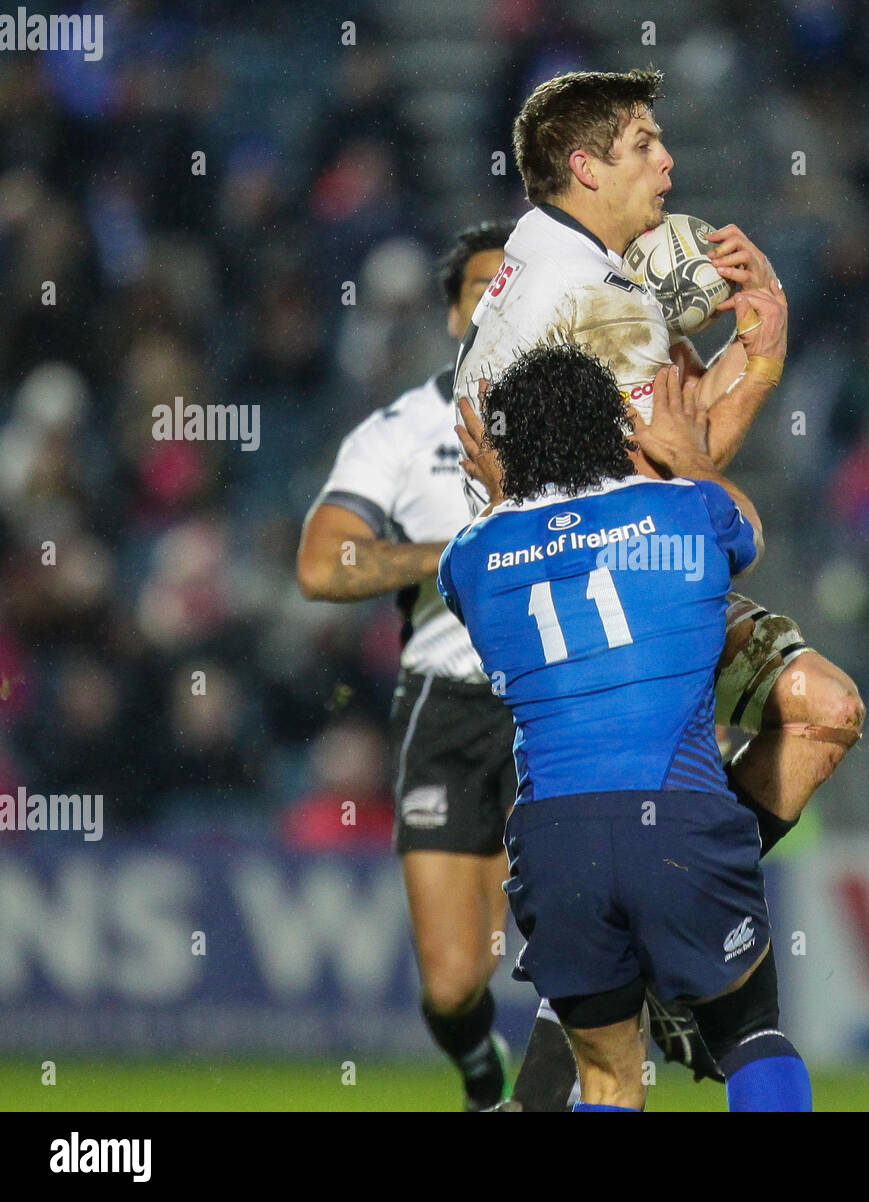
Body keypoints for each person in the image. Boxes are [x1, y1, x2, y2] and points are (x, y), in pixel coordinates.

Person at [454, 65, 863, 1085]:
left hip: (532, 596)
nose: (668, 160)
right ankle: (678, 950)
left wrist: (726, 350)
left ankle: (625, 961)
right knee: (820, 709)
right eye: (641, 143)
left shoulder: (536, 273)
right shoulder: (595, 300)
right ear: (583, 166)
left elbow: (646, 454)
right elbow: (688, 469)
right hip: (620, 586)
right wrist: (757, 354)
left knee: (815, 704)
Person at [440, 342, 813, 1112]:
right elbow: (747, 532)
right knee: (749, 1030)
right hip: (676, 817)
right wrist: (684, 454)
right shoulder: (682, 508)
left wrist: (506, 493)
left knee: (608, 1079)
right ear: (620, 431)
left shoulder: (471, 557)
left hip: (554, 839)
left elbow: (507, 561)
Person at [296, 221, 517, 1111]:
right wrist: (455, 554)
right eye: (481, 289)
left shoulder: (598, 420)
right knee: (453, 984)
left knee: (566, 957)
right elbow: (321, 565)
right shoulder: (398, 432)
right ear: (453, 311)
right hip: (446, 705)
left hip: (557, 701)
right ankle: (480, 1075)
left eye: (518, 288)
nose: (499, 304)